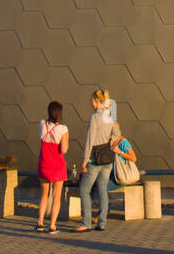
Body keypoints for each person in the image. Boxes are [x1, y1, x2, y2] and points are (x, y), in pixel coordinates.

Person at [76, 90, 117, 232]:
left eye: (92, 100)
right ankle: (102, 222)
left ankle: (86, 222)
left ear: (96, 101)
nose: (91, 103)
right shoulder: (109, 117)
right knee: (102, 189)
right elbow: (116, 134)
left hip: (95, 160)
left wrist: (85, 160)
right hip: (107, 159)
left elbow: (90, 140)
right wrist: (111, 142)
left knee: (83, 190)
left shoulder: (95, 118)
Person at [35, 101, 68, 234]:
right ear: (59, 114)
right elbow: (64, 149)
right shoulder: (63, 129)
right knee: (56, 196)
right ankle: (52, 225)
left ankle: (40, 222)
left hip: (44, 164)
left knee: (44, 194)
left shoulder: (42, 125)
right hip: (57, 166)